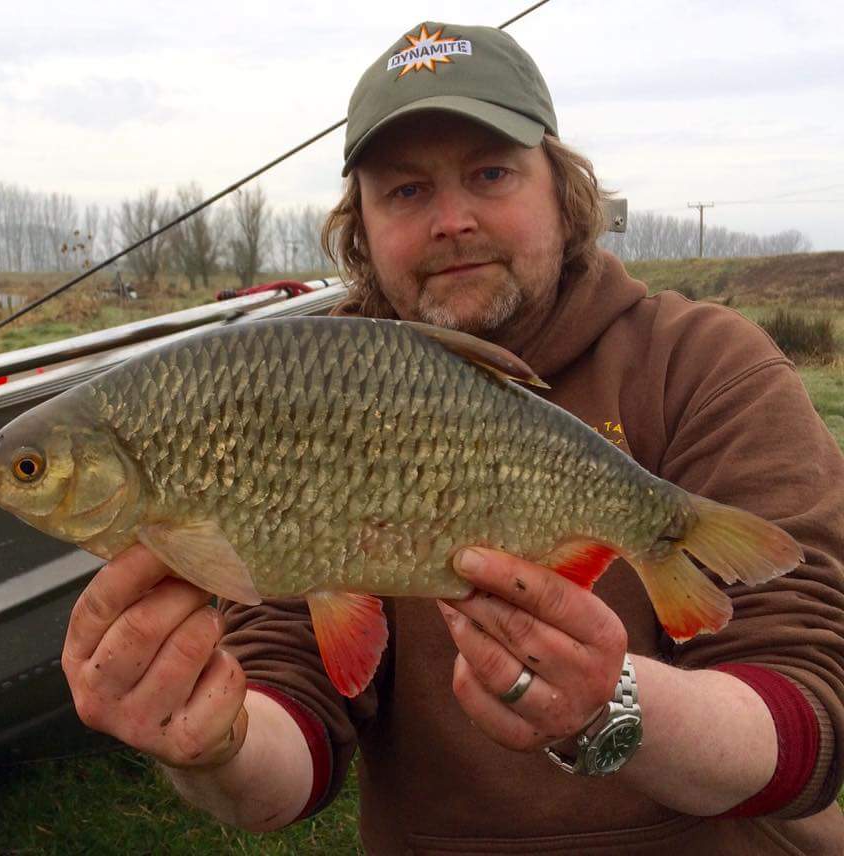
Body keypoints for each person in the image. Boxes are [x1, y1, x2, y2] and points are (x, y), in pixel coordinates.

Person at [60, 21, 844, 853]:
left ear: (563, 189)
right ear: (360, 225)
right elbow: (290, 722)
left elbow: (812, 710)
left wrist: (613, 706)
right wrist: (211, 740)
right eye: (406, 191)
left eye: (490, 174)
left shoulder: (705, 363)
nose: (452, 220)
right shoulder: (302, 386)